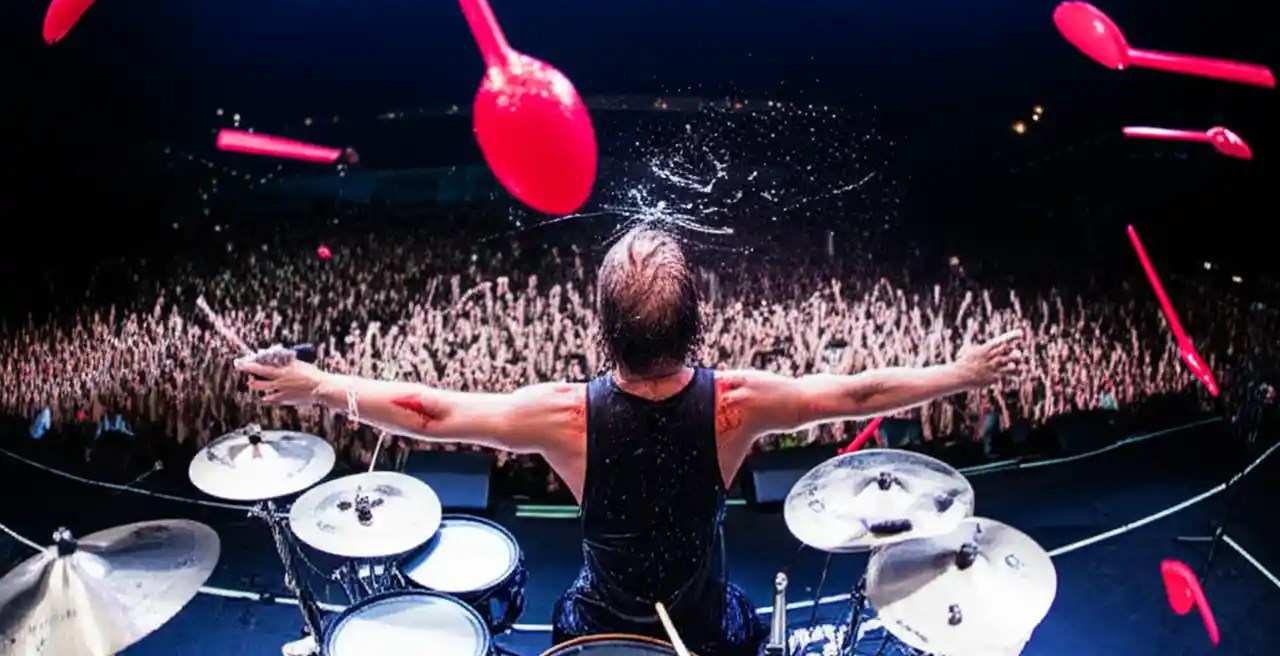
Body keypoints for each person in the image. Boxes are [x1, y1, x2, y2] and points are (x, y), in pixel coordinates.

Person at [235, 227, 1027, 656]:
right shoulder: (739, 404)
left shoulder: (565, 417)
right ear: (696, 325)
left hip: (599, 630)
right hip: (710, 633)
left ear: (603, 329)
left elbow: (428, 414)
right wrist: (958, 372)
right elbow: (857, 394)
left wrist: (314, 386)